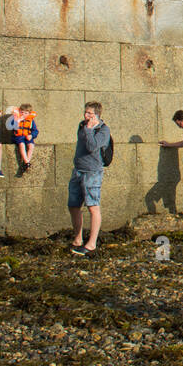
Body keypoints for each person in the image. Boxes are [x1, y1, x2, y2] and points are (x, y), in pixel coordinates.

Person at [68, 102, 110, 257]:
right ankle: (77, 239)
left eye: (89, 113)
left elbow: (92, 146)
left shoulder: (103, 130)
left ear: (97, 115)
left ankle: (91, 244)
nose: (86, 116)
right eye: (85, 112)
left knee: (93, 206)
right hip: (78, 170)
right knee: (73, 205)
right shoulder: (82, 125)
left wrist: (89, 129)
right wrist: (86, 128)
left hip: (92, 172)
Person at [6, 103, 39, 173]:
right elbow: (11, 128)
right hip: (18, 137)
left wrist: (31, 135)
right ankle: (27, 162)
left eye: (26, 113)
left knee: (31, 146)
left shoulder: (31, 121)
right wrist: (18, 121)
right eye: (22, 112)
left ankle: (27, 162)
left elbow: (35, 131)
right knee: (21, 145)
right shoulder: (16, 118)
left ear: (29, 114)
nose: (23, 114)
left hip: (27, 136)